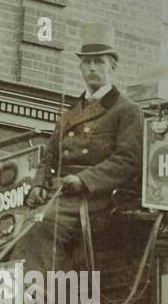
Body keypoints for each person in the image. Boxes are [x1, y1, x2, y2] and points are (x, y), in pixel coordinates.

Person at [16, 22, 143, 278]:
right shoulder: (69, 113)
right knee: (17, 225)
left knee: (43, 225)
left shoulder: (126, 110)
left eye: (99, 61)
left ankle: (38, 299)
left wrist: (84, 180)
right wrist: (39, 185)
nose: (92, 68)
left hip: (98, 197)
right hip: (62, 191)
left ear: (112, 66)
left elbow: (128, 160)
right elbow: (49, 158)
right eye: (87, 62)